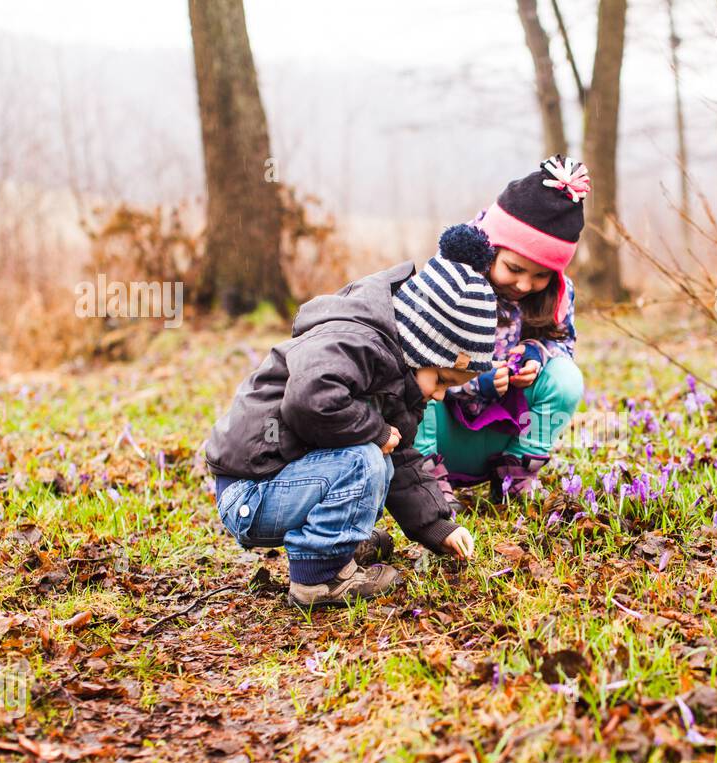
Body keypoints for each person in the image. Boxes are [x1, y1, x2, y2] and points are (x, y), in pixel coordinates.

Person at [202, 229, 499, 608]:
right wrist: (375, 431)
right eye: (441, 379)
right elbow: (309, 400)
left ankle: (341, 544)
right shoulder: (353, 342)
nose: (440, 394)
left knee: (381, 455)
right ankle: (320, 577)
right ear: (420, 344)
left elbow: (403, 456)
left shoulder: (400, 375)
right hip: (252, 491)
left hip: (284, 483)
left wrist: (438, 525)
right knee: (366, 459)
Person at [414, 155, 589, 508]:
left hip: (501, 429)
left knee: (567, 377)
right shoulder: (451, 278)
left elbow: (562, 343)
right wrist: (474, 380)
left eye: (541, 276)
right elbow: (415, 356)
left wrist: (534, 355)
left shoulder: (558, 292)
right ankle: (423, 482)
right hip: (441, 426)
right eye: (514, 268)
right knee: (410, 379)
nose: (525, 285)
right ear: (490, 247)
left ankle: (515, 474)